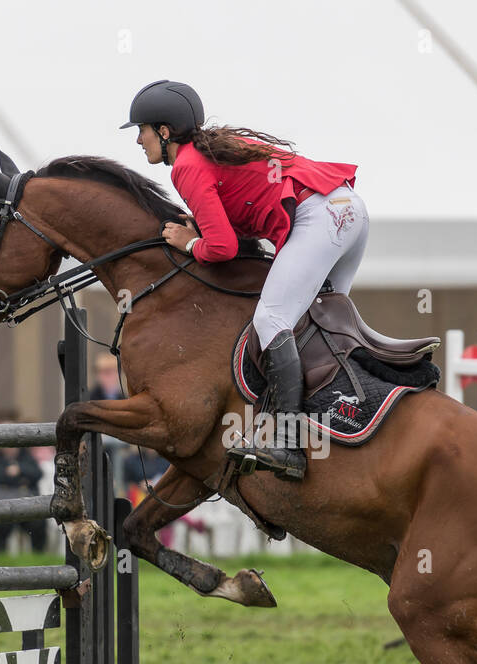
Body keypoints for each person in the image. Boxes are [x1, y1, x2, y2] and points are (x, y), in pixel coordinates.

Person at [122, 79, 363, 481]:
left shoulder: (186, 166)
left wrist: (188, 242)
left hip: (319, 217)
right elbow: (239, 222)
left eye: (142, 131)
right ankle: (343, 412)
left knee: (272, 321)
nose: (139, 141)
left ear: (164, 132)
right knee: (317, 322)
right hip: (347, 207)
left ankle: (286, 444)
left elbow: (222, 249)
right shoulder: (211, 149)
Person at [0, 447, 48, 553]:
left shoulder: (25, 454)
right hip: (1, 504)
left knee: (38, 522)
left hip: (26, 504)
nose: (10, 449)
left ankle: (39, 555)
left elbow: (37, 473)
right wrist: (19, 479)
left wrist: (20, 469)